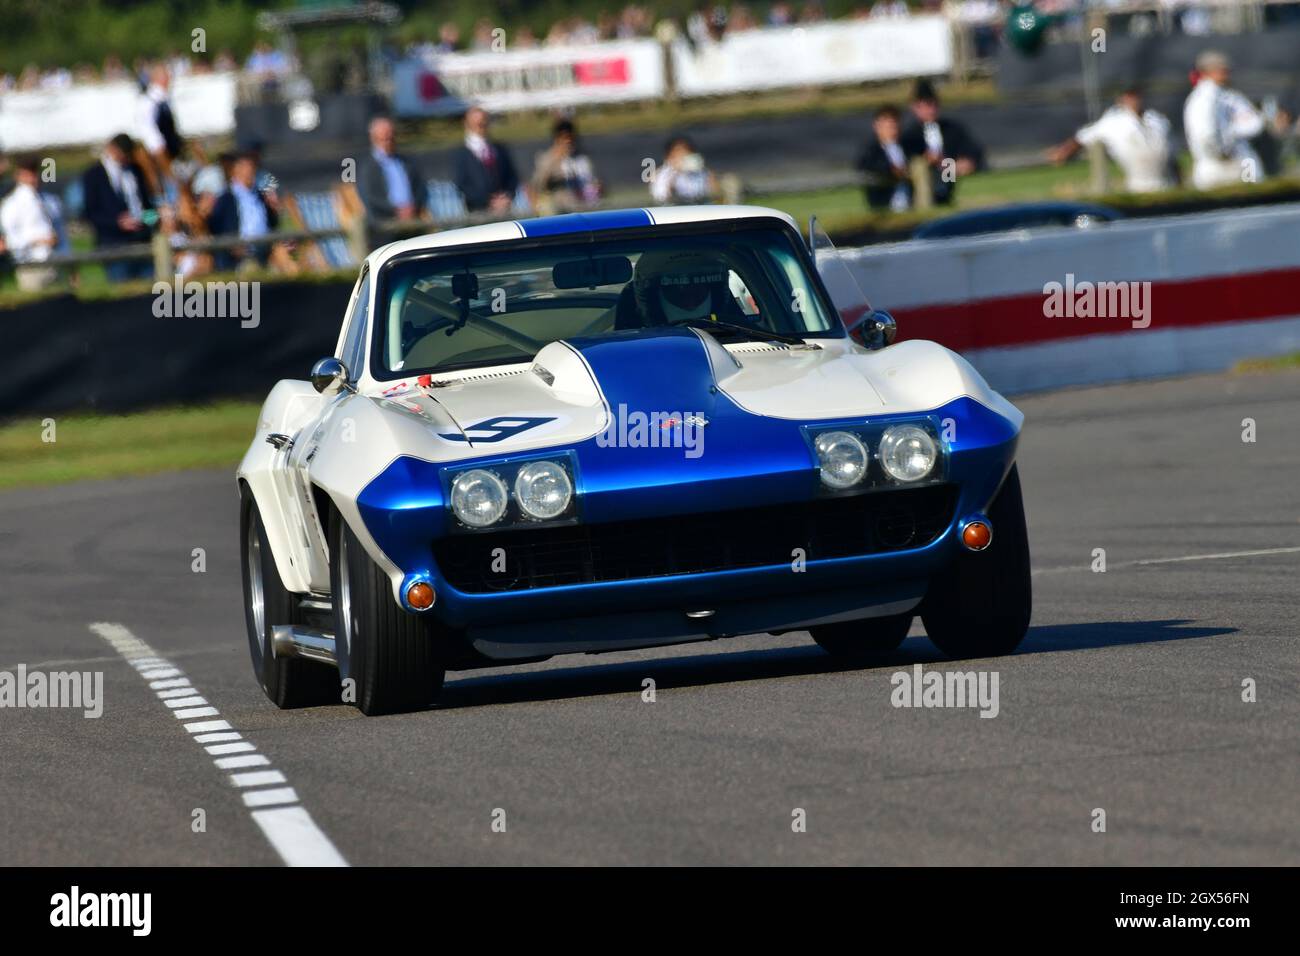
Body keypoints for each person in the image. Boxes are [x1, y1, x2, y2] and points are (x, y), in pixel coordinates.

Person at [1047, 87, 1172, 193]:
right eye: (1129, 97)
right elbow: (1083, 137)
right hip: (1138, 185)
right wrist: (1063, 152)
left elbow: (1170, 152)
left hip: (1167, 183)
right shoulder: (1112, 122)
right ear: (1121, 100)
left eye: (1135, 96)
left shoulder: (1157, 120)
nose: (1134, 101)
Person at [1183, 51, 1266, 189]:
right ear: (1208, 71)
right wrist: (1221, 150)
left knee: (1253, 194)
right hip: (1215, 165)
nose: (1226, 73)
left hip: (1241, 158)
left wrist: (1233, 130)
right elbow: (1203, 134)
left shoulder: (1231, 96)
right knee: (1219, 205)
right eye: (1222, 69)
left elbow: (1255, 124)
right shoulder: (1201, 98)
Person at [900, 79, 985, 205]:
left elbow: (972, 150)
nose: (930, 110)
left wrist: (967, 161)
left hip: (950, 174)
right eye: (926, 105)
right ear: (915, 107)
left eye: (933, 104)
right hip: (927, 183)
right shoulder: (910, 135)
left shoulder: (952, 129)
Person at [81, 133, 153, 282]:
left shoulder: (135, 171)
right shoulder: (93, 175)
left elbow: (147, 207)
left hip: (142, 241)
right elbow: (90, 213)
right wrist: (117, 222)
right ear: (112, 149)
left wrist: (153, 218)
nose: (125, 158)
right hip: (114, 245)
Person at [208, 151, 278, 269]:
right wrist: (232, 245)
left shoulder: (260, 196)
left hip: (265, 247)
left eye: (252, 168)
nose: (251, 172)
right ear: (236, 170)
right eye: (247, 168)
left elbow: (272, 223)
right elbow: (217, 228)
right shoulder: (226, 199)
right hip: (239, 252)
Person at [0, 155, 58, 291]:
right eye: (28, 174)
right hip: (30, 265)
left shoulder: (49, 200)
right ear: (18, 175)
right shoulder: (12, 204)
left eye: (35, 173)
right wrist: (38, 241)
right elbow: (10, 240)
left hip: (54, 262)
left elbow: (60, 233)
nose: (33, 178)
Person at [452, 106, 519, 214]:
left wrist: (507, 196)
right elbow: (462, 185)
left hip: (503, 210)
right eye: (477, 123)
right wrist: (488, 201)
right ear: (467, 123)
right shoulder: (462, 154)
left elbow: (512, 177)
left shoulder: (499, 149)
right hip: (478, 211)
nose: (481, 126)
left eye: (484, 122)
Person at [530, 119, 601, 214]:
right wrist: (557, 158)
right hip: (562, 209)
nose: (568, 142)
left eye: (571, 137)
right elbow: (538, 185)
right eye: (564, 138)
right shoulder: (547, 158)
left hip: (587, 204)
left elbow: (594, 181)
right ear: (557, 139)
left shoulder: (582, 158)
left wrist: (598, 187)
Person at [359, 116, 420, 221]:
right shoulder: (367, 167)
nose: (389, 142)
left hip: (413, 218)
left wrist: (413, 207)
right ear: (374, 138)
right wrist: (395, 210)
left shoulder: (406, 162)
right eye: (384, 139)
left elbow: (420, 188)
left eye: (392, 138)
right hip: (385, 223)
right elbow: (370, 197)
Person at [135, 64, 183, 198]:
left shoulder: (163, 100)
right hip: (159, 157)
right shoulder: (149, 102)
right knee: (164, 193)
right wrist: (162, 157)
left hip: (170, 154)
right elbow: (150, 134)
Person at [856, 105, 912, 212]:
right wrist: (891, 171)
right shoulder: (871, 151)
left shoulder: (907, 147)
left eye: (894, 126)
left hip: (909, 201)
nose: (892, 130)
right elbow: (866, 167)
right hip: (884, 203)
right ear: (877, 126)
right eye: (888, 126)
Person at [650, 135, 718, 204]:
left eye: (687, 152)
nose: (683, 156)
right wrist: (675, 174)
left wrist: (712, 179)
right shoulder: (661, 174)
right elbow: (661, 198)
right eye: (679, 153)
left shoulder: (701, 172)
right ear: (669, 156)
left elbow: (713, 196)